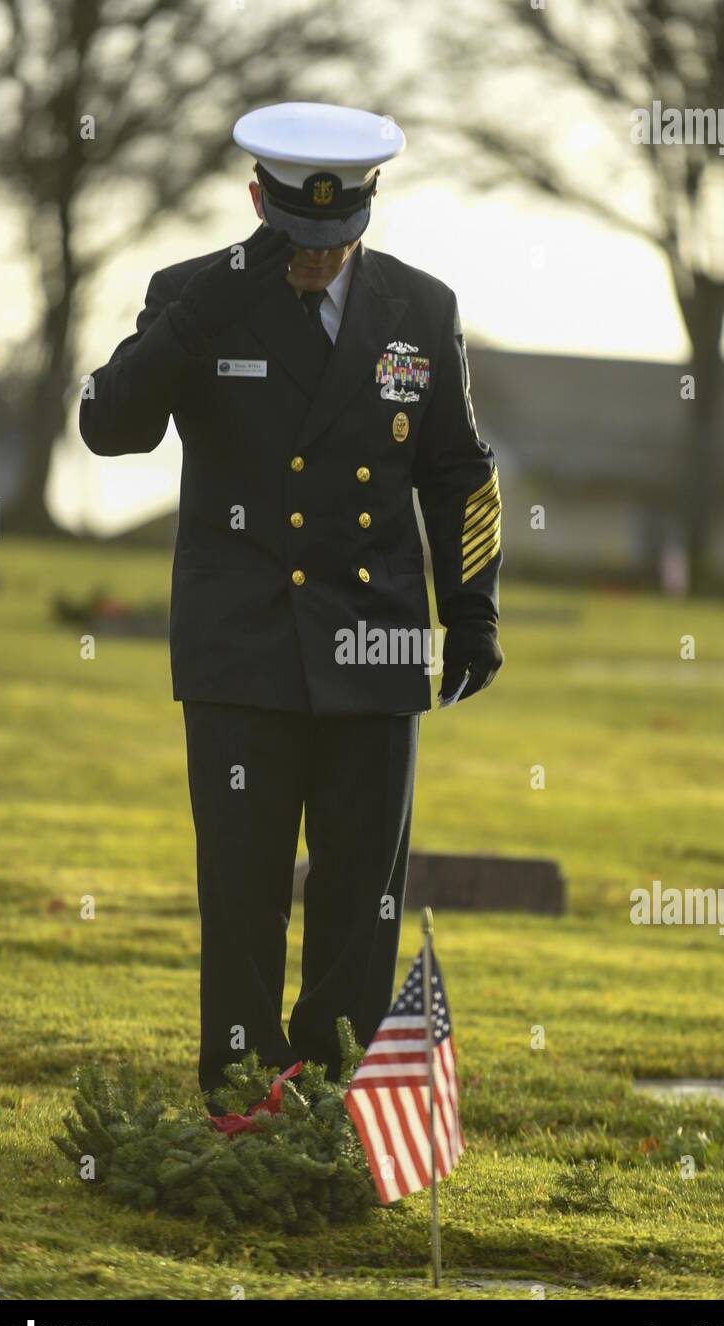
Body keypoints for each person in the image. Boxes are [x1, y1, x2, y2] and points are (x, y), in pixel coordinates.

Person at [79, 101, 503, 1111]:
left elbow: (461, 473)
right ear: (258, 201)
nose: (317, 258)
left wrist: (472, 607)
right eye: (296, 238)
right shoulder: (191, 295)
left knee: (360, 898)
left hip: (375, 641)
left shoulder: (420, 309)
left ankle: (334, 1097)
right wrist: (193, 323)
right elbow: (106, 427)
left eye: (336, 236)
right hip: (242, 652)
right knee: (243, 889)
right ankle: (239, 1096)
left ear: (367, 207)